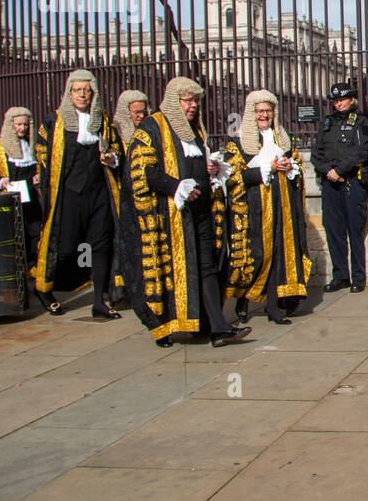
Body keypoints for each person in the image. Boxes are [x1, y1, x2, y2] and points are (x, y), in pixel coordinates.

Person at [124, 76, 249, 348]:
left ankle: (216, 328)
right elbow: (144, 171)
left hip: (201, 212)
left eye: (196, 100)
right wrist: (175, 186)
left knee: (207, 267)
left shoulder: (195, 131)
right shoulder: (151, 128)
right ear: (173, 101)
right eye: (187, 100)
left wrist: (211, 169)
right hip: (170, 217)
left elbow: (195, 164)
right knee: (171, 273)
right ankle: (166, 327)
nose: (193, 106)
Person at [32, 70, 123, 319]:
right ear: (69, 93)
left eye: (87, 89)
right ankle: (44, 288)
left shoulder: (102, 120)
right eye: (77, 90)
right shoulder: (54, 121)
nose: (82, 94)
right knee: (65, 247)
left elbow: (116, 149)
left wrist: (111, 157)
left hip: (99, 191)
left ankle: (99, 301)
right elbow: (41, 152)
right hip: (68, 193)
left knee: (102, 244)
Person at [224, 89, 313, 325]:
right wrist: (267, 170)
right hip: (255, 209)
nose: (264, 115)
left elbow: (298, 168)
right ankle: (243, 301)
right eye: (259, 111)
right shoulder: (238, 141)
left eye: (268, 110)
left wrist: (290, 167)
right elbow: (234, 176)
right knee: (256, 256)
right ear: (251, 113)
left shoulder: (282, 138)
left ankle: (274, 308)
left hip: (282, 207)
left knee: (278, 256)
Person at [312, 80, 368, 293]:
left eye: (342, 100)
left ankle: (358, 277)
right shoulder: (327, 123)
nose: (338, 104)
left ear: (351, 99)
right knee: (333, 230)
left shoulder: (361, 122)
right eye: (335, 101)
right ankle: (340, 276)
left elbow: (361, 152)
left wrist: (339, 171)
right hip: (330, 184)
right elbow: (316, 153)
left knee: (354, 231)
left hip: (351, 182)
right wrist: (328, 170)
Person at [0, 107, 43, 272]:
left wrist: (39, 176)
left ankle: (35, 268)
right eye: (18, 125)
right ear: (10, 125)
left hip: (30, 197)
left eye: (25, 125)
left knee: (36, 231)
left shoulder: (33, 146)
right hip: (9, 197)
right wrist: (0, 181)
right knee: (15, 233)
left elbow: (42, 166)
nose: (22, 128)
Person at [108, 90, 150, 308]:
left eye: (143, 112)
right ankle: (118, 290)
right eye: (136, 112)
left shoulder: (148, 132)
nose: (140, 116)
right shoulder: (115, 133)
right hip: (123, 196)